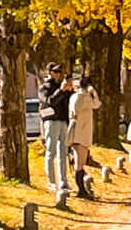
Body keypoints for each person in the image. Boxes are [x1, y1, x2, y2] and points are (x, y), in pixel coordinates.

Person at [38, 64, 74, 208]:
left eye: (60, 72)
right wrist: (61, 90)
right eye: (55, 72)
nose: (58, 74)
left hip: (63, 120)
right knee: (50, 151)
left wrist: (69, 91)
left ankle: (63, 180)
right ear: (49, 72)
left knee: (63, 153)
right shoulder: (44, 87)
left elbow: (69, 103)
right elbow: (49, 102)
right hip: (51, 121)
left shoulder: (63, 86)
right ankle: (51, 181)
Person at [69, 75, 102, 199]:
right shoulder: (85, 98)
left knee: (79, 162)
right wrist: (93, 92)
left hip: (74, 131)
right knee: (80, 164)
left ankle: (82, 190)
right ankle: (81, 190)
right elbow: (97, 104)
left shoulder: (74, 97)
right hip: (82, 132)